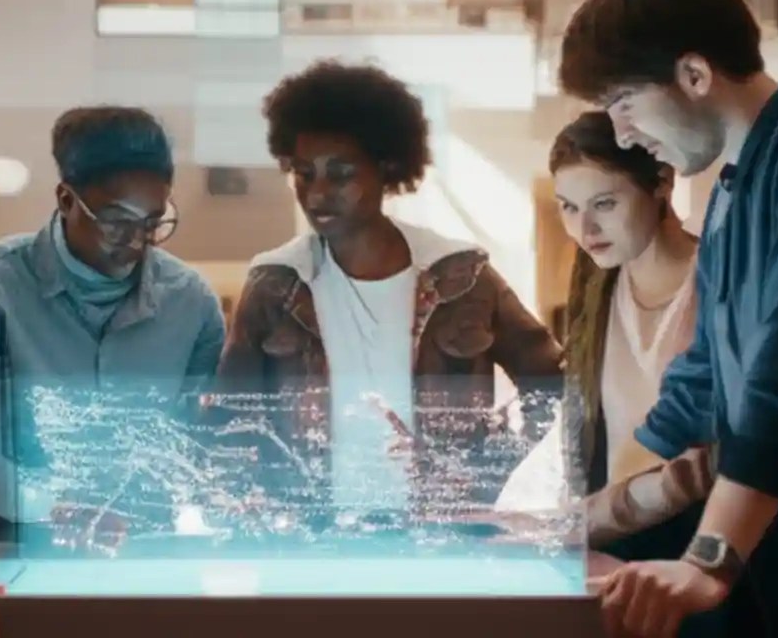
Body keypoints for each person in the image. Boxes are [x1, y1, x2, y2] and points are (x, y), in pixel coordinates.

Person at [560, 0, 778, 638]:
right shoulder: (734, 187)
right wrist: (584, 516)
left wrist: (709, 561)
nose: (622, 135)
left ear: (695, 75)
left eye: (622, 103)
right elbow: (702, 384)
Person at [212, 60, 563, 528]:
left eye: (339, 173)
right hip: (311, 536)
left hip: (440, 531)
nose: (316, 192)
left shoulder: (461, 276)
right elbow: (231, 418)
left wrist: (490, 469)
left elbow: (553, 383)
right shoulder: (276, 283)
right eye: (303, 173)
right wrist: (254, 501)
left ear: (387, 167)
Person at [0, 106, 226, 544]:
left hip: (140, 553)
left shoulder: (192, 303)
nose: (135, 243)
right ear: (67, 200)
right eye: (115, 222)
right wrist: (56, 509)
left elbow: (192, 444)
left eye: (152, 223)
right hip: (6, 550)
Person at [551, 112, 765, 635]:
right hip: (614, 540)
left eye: (604, 204)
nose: (584, 229)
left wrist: (586, 519)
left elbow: (727, 448)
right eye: (568, 208)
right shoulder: (597, 283)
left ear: (663, 182)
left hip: (707, 545)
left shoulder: (720, 283)